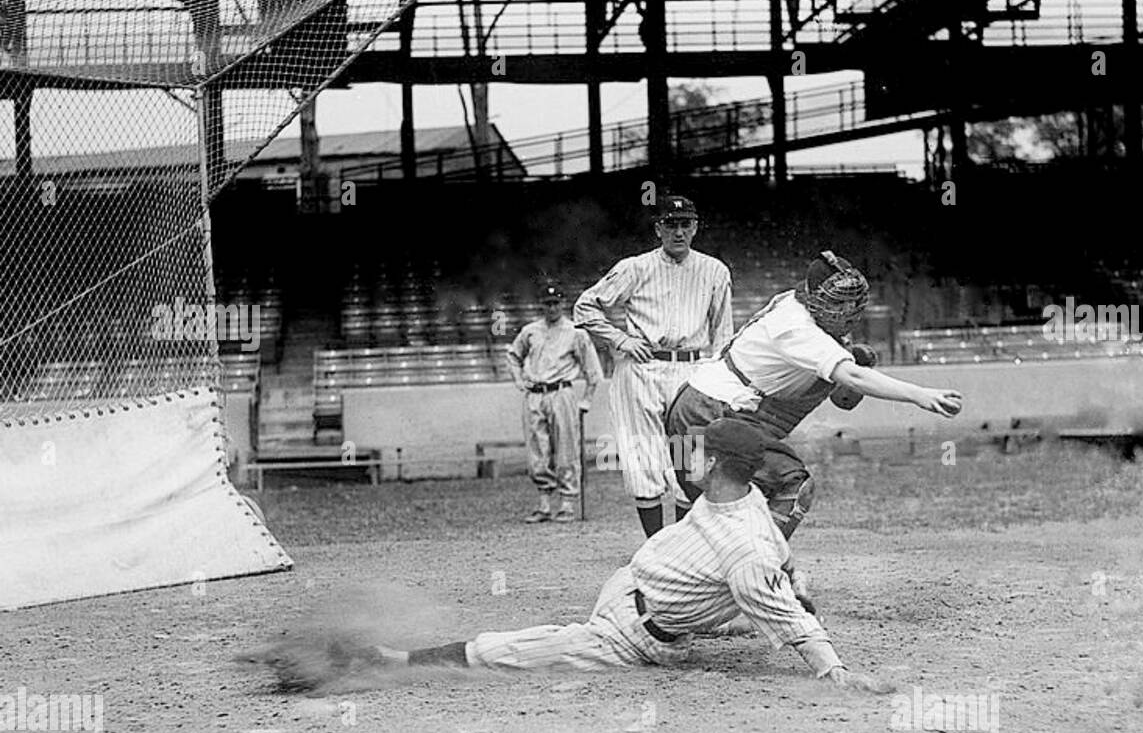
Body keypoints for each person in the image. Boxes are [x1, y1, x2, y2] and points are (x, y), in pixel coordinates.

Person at [352, 420, 880, 691]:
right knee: (753, 603)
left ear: (716, 462)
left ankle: (397, 661)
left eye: (697, 448)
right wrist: (793, 581)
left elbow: (789, 615)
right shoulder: (746, 496)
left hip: (629, 638)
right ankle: (729, 620)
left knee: (525, 650)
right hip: (627, 584)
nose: (686, 454)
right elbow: (781, 562)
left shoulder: (745, 550)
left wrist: (834, 671)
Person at [667, 251, 963, 538]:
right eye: (837, 302)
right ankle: (760, 565)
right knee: (791, 484)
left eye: (852, 302)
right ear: (812, 297)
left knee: (716, 509)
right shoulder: (797, 326)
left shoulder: (803, 310)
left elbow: (843, 399)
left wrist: (846, 363)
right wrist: (920, 395)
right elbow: (853, 377)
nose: (846, 311)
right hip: (710, 412)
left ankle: (688, 571)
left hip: (693, 408)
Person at [573, 194, 732, 538]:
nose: (679, 232)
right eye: (671, 224)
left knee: (689, 461)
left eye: (685, 224)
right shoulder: (635, 267)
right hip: (642, 368)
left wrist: (719, 382)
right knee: (642, 457)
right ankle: (656, 547)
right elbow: (585, 307)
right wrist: (621, 339)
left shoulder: (715, 270)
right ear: (658, 228)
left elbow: (722, 333)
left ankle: (682, 546)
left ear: (696, 227)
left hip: (691, 370)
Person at [505, 282, 602, 524]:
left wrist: (586, 400)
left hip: (562, 393)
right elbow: (513, 355)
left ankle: (567, 502)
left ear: (563, 303)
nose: (551, 308)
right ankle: (544, 503)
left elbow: (593, 371)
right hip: (535, 394)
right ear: (541, 305)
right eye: (547, 304)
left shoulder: (576, 332)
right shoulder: (530, 331)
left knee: (566, 449)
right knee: (538, 450)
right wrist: (519, 381)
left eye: (556, 303)